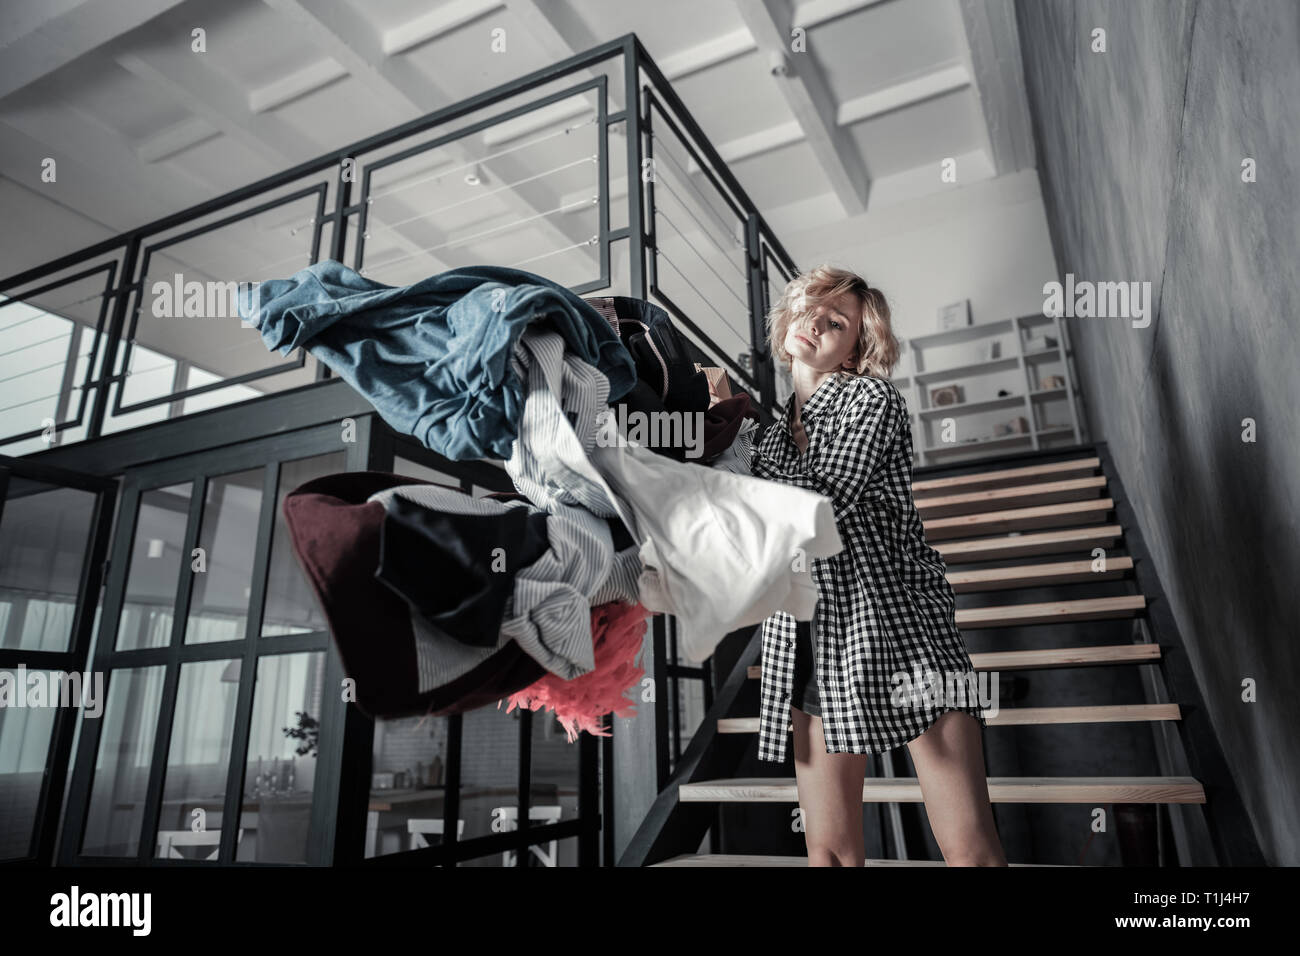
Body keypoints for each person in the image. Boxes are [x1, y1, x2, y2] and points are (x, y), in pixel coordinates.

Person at [750, 264, 1007, 867]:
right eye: (812, 306)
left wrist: (731, 456)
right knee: (829, 854)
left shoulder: (872, 400)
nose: (817, 321)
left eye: (836, 321)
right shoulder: (764, 438)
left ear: (854, 349)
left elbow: (818, 504)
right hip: (808, 645)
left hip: (905, 636)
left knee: (968, 845)